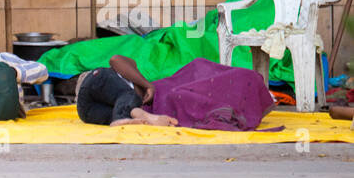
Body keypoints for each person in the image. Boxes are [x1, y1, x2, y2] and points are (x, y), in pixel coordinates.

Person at [77, 55, 276, 130]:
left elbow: (117, 61)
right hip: (94, 84)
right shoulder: (110, 77)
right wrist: (148, 85)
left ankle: (133, 118)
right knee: (128, 97)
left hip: (90, 112)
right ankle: (143, 117)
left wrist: (147, 86)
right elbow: (113, 60)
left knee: (189, 89)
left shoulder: (130, 86)